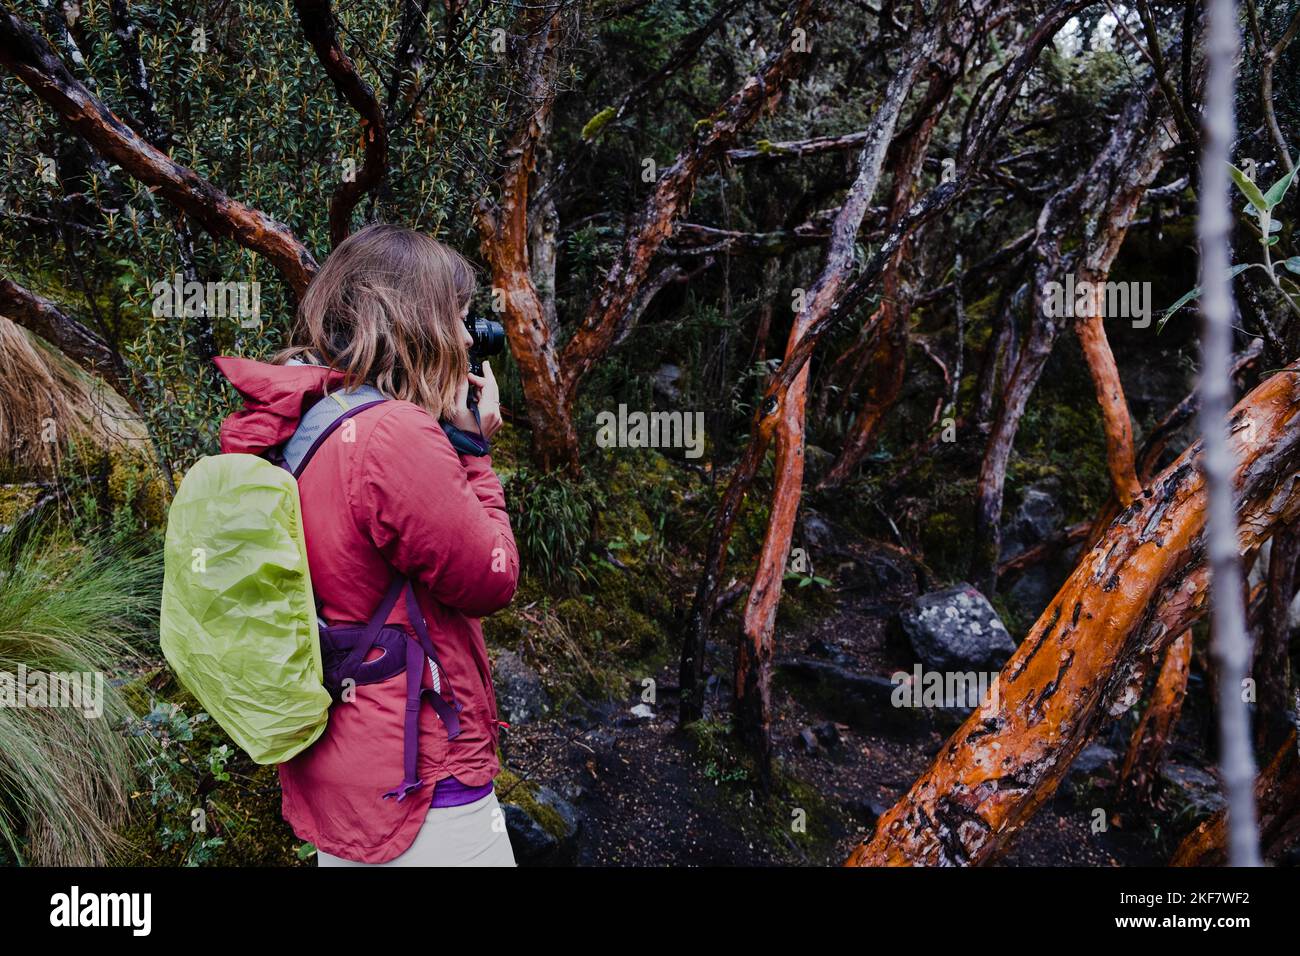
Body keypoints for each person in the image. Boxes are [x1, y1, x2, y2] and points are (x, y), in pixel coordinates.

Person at [213, 223, 519, 865]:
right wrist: (474, 452)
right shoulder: (392, 437)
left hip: (347, 763)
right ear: (415, 320)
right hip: (422, 782)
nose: (467, 338)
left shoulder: (307, 420)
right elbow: (492, 578)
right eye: (457, 319)